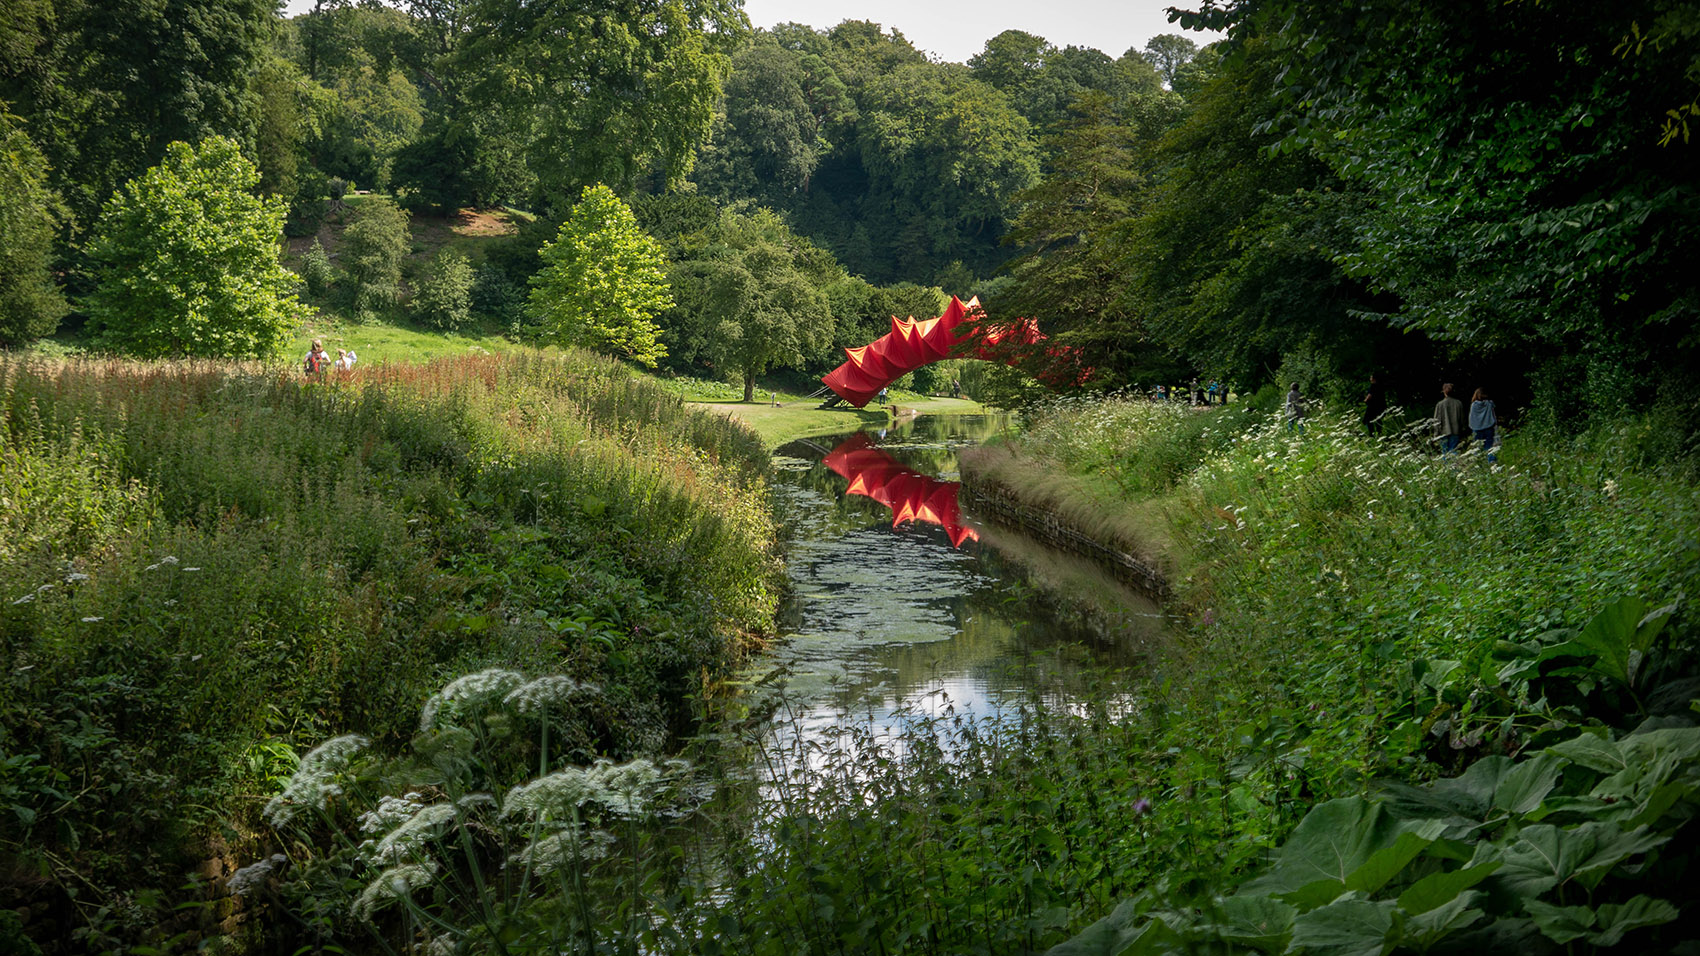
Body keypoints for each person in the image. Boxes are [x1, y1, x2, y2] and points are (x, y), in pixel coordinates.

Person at [1434, 383, 1468, 454]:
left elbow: (1436, 420)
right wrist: (1463, 429)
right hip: (1455, 431)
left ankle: (1447, 465)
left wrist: (1436, 433)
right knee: (1454, 451)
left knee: (1444, 452)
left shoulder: (1440, 404)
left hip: (1443, 432)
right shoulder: (1458, 403)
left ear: (1444, 392)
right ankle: (1454, 465)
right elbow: (1462, 419)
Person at [1470, 387, 1498, 462]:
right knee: (1489, 447)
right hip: (1489, 427)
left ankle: (1478, 464)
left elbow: (1472, 418)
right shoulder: (1489, 403)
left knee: (1477, 448)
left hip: (1477, 429)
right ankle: (1492, 462)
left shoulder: (1473, 405)